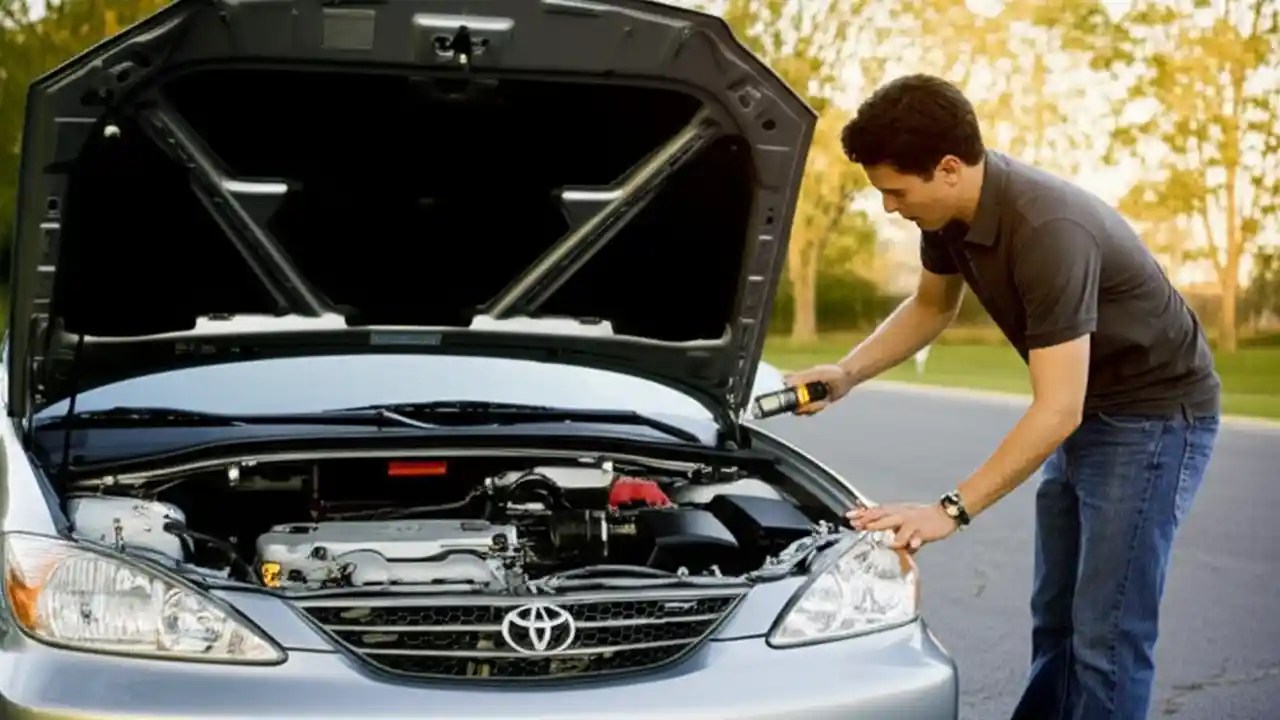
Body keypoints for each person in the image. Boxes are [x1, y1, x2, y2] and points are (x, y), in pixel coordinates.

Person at [784, 74, 1220, 720]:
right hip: (1089, 411)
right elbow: (932, 306)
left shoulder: (1048, 229)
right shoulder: (952, 215)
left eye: (896, 192)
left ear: (949, 168)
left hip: (1152, 420)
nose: (889, 208)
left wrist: (949, 509)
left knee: (1107, 634)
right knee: (1057, 620)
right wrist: (847, 372)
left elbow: (1056, 408)